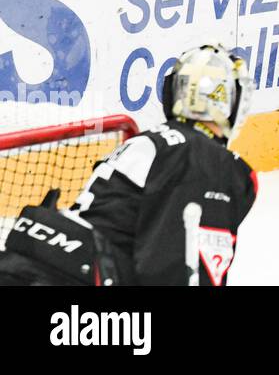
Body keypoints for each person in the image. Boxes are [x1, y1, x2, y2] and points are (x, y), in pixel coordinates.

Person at [0, 44, 258, 286]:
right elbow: (176, 271)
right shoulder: (209, 162)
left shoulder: (153, 141)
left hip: (29, 266)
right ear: (227, 100)